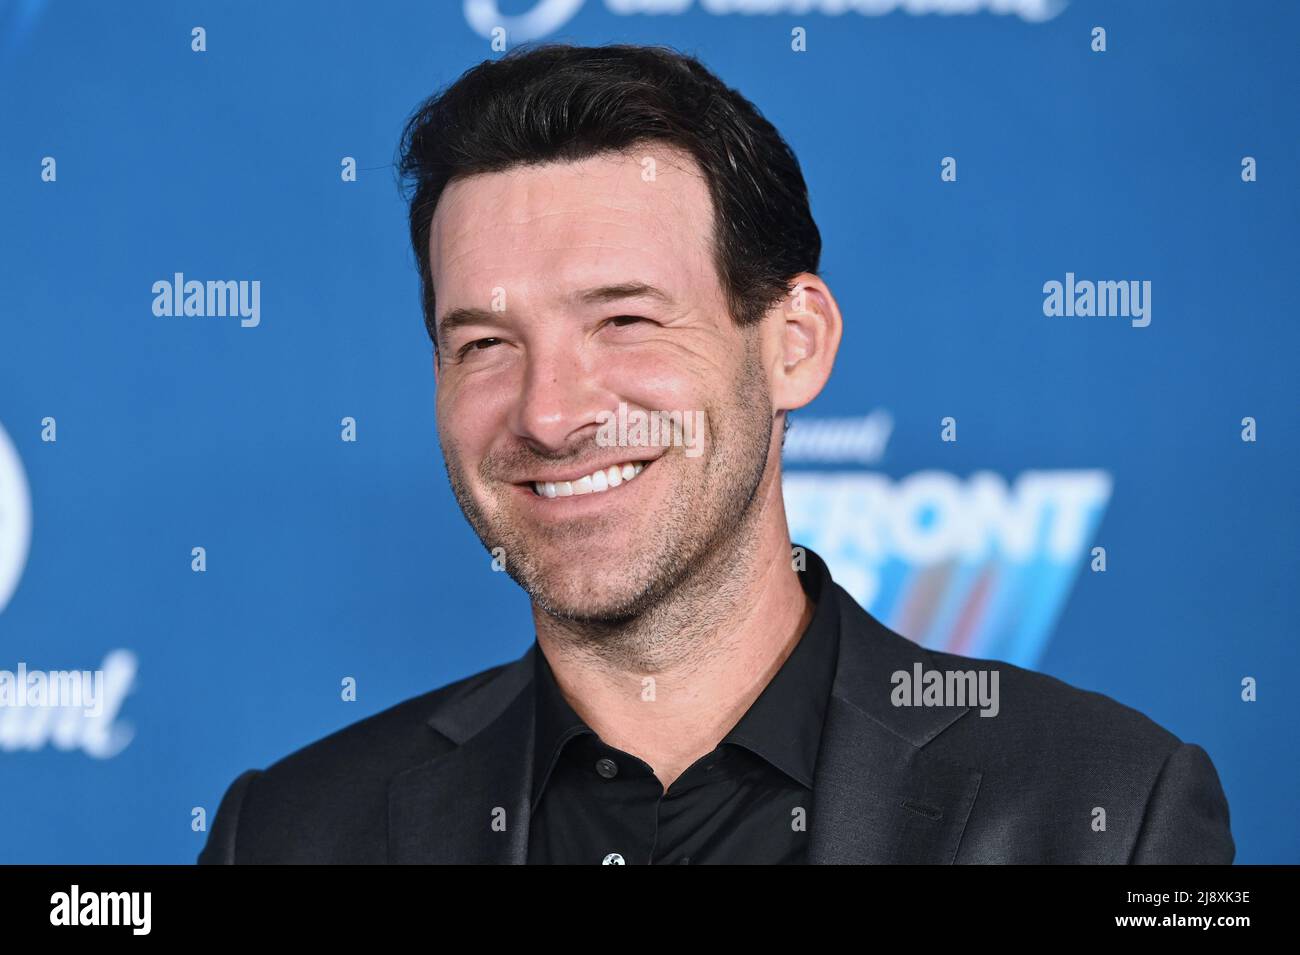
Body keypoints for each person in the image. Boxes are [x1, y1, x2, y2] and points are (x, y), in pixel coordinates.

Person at [198, 44, 1233, 864]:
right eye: (484, 344)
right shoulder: (289, 833)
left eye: (626, 321)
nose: (549, 415)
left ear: (794, 345)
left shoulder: (1102, 808)